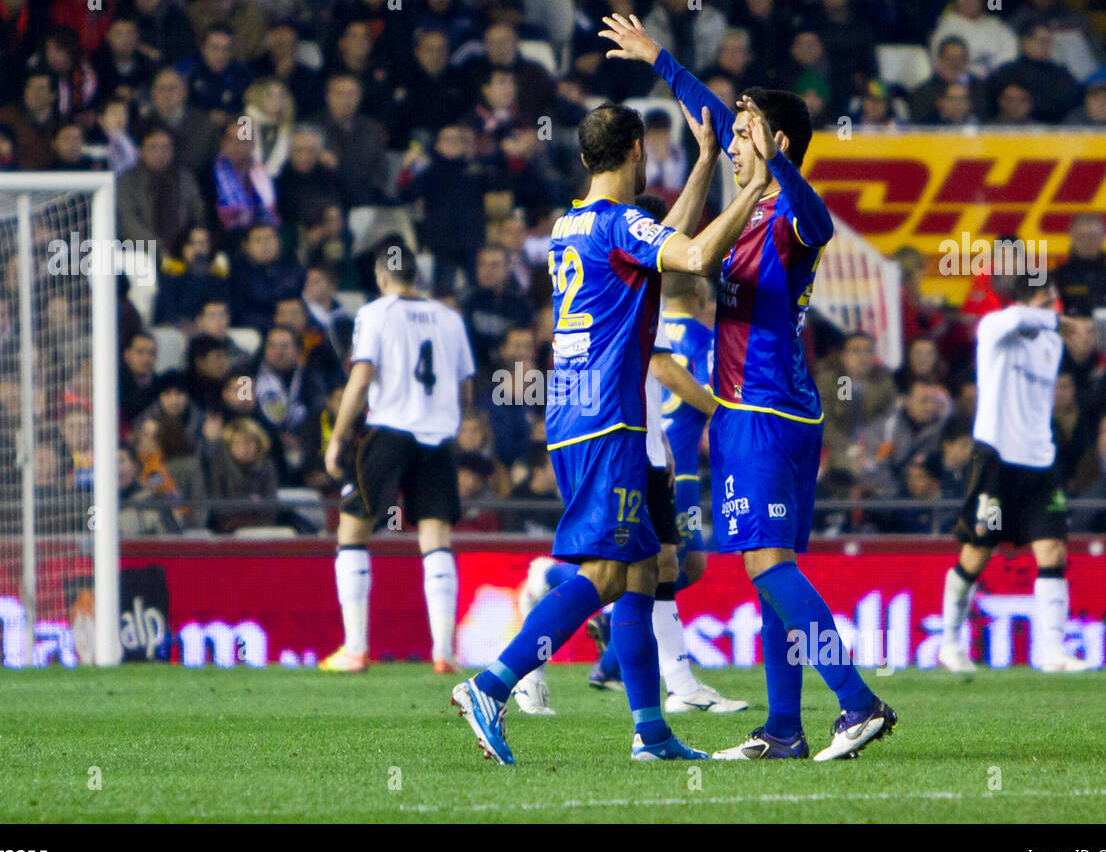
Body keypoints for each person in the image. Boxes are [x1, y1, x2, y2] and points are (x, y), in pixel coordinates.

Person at [605, 11, 897, 762]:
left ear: (779, 146)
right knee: (776, 576)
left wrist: (781, 165)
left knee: (767, 568)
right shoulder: (752, 206)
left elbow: (823, 224)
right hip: (782, 414)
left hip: (757, 412)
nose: (730, 142)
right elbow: (709, 112)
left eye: (746, 135)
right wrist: (659, 59)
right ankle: (782, 729)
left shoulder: (787, 214)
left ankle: (857, 703)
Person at [452, 94, 770, 766]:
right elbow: (693, 255)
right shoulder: (621, 224)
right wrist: (753, 191)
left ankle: (651, 733)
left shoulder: (573, 226)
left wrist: (709, 160)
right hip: (608, 416)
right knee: (602, 574)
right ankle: (491, 684)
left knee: (643, 568)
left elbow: (666, 244)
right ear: (636, 151)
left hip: (575, 410)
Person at [321, 246, 475, 674]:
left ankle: (355, 649)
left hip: (389, 431)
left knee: (353, 529)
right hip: (438, 437)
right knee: (435, 538)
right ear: (417, 274)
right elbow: (466, 390)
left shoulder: (375, 313)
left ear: (381, 275)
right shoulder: (450, 318)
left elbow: (362, 375)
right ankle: (444, 651)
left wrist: (337, 438)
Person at [937, 279, 1093, 674]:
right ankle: (950, 642)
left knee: (1053, 551)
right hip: (996, 460)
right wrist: (1055, 320)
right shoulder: (995, 329)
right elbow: (1020, 318)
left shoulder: (1052, 344)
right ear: (1028, 301)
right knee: (977, 553)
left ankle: (1053, 651)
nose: (1055, 307)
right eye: (1048, 300)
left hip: (1040, 463)